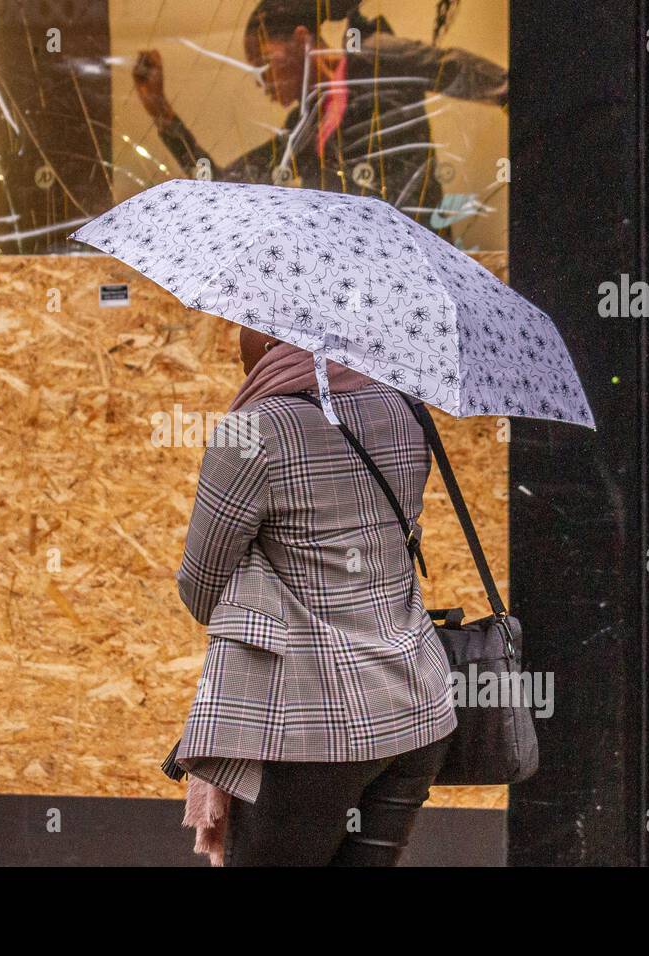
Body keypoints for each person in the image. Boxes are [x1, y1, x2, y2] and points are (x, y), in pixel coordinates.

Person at [168, 327, 457, 866]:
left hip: (310, 732)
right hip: (416, 711)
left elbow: (200, 587)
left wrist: (262, 572)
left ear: (268, 345)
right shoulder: (403, 410)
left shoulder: (251, 431)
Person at [133, 0, 508, 237]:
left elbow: (476, 77)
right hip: (361, 284)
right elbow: (226, 188)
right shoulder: (305, 124)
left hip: (417, 269)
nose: (262, 81)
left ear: (302, 39)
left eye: (265, 63)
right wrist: (162, 113)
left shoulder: (374, 56)